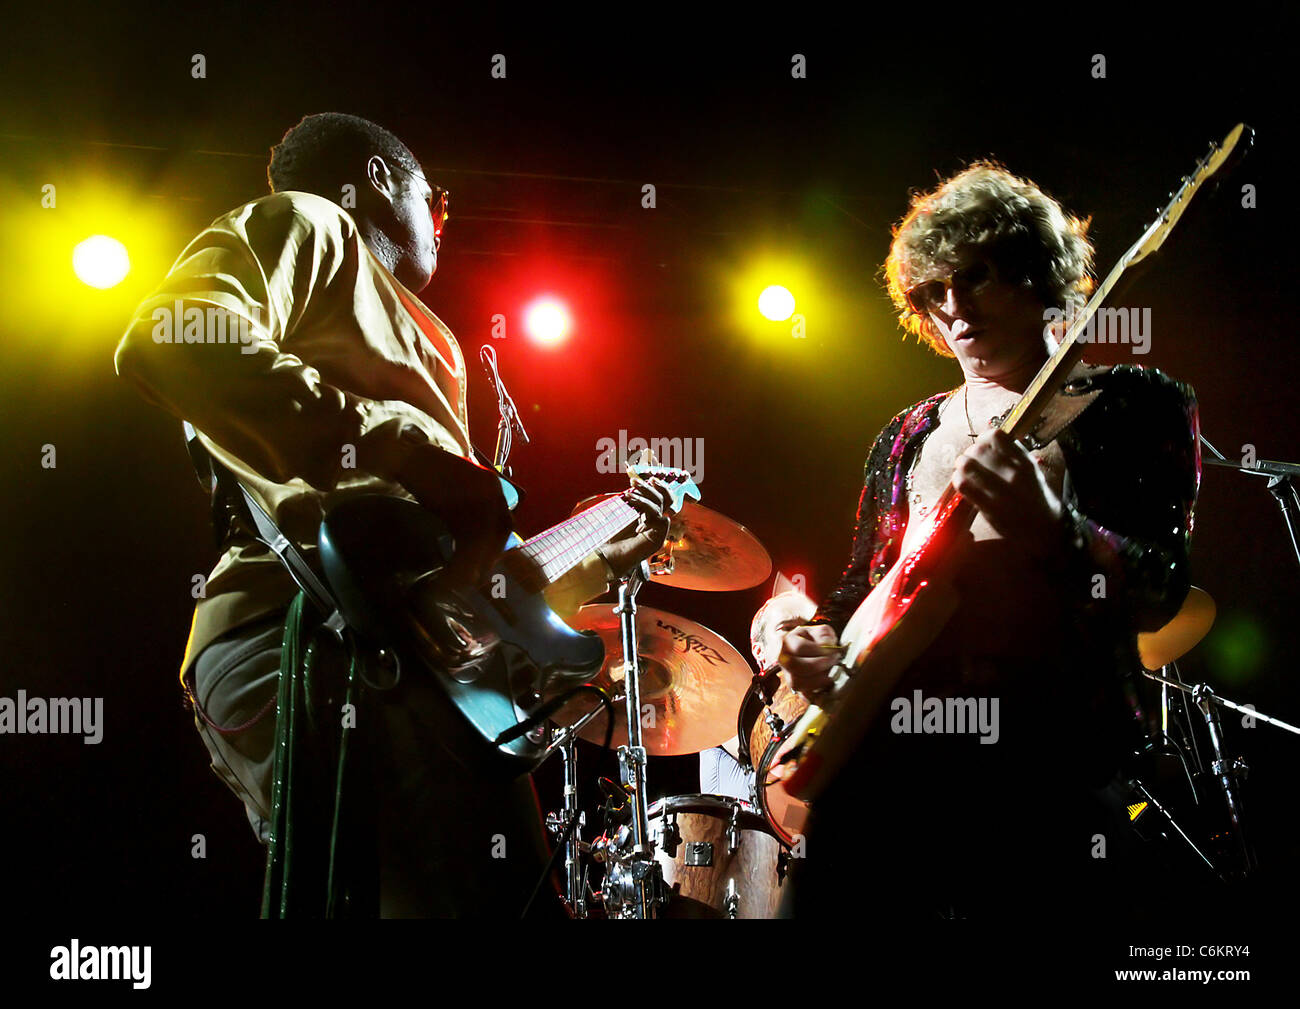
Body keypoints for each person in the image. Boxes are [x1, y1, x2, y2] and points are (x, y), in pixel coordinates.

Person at [114, 112, 671, 917]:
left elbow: (469, 601)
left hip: (406, 659)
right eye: (432, 197)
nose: (443, 219)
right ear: (377, 181)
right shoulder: (310, 221)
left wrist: (605, 545)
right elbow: (167, 338)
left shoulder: (428, 338)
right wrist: (407, 449)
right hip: (303, 628)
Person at [778, 162, 1201, 919]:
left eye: (972, 277)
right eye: (930, 294)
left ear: (1036, 273)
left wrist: (1057, 530)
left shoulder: (1137, 407)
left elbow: (1161, 588)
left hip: (1044, 771)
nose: (953, 309)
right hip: (884, 763)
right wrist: (815, 640)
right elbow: (858, 589)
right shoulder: (905, 435)